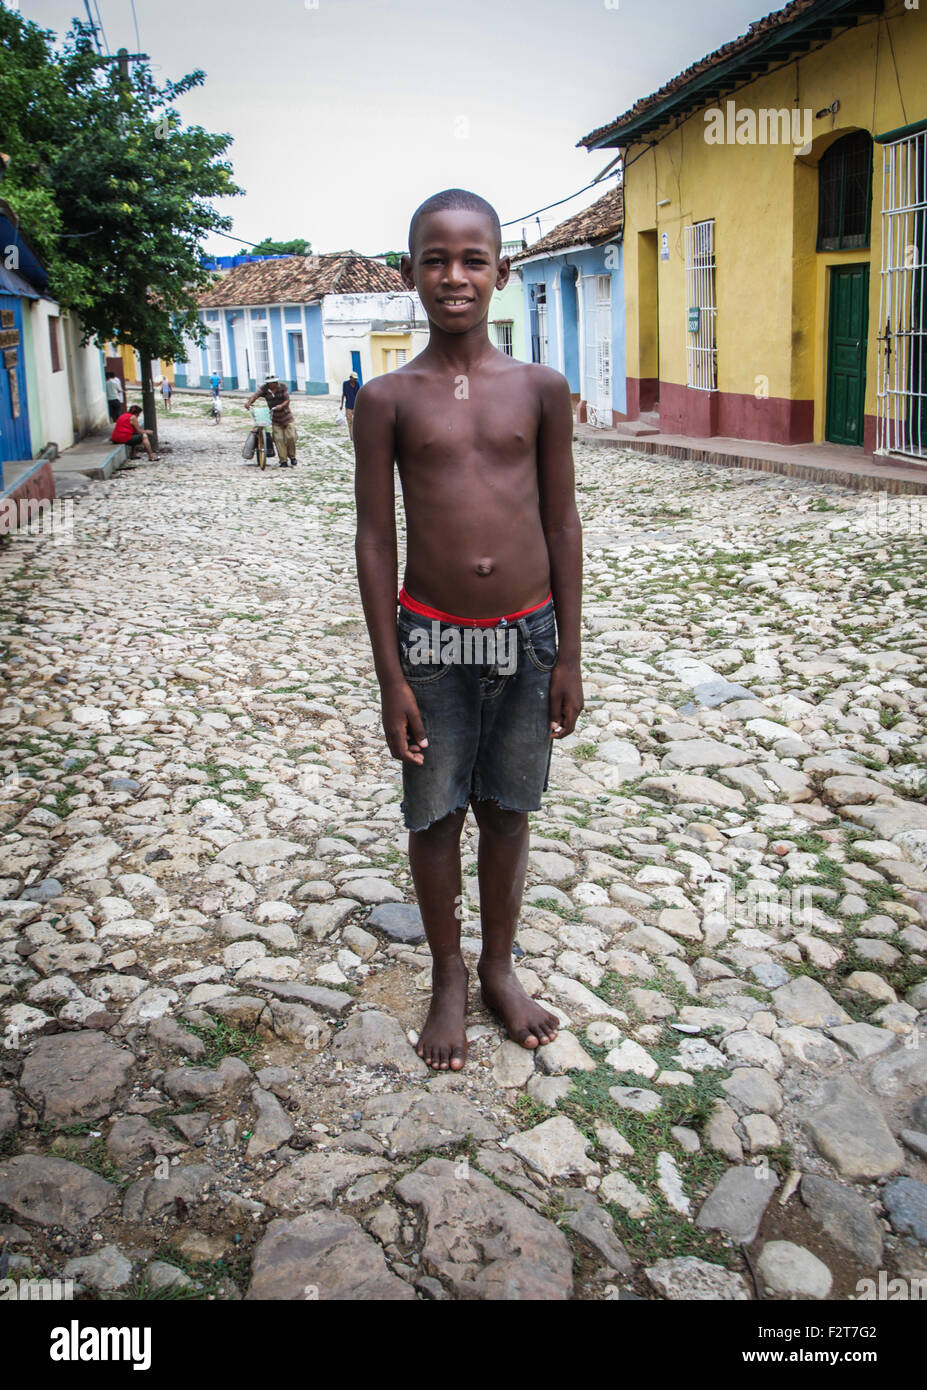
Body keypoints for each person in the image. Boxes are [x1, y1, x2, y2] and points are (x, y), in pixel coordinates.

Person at [354, 188, 583, 1071]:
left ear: (501, 271)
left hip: (525, 636)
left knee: (509, 810)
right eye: (434, 260)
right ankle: (447, 975)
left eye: (472, 259)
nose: (453, 277)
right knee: (433, 813)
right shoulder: (387, 398)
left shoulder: (539, 388)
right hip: (433, 641)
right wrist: (392, 678)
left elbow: (561, 523)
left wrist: (567, 650)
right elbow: (377, 539)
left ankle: (497, 967)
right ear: (408, 271)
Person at [245, 372, 297, 467]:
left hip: (286, 416)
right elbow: (255, 395)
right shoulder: (264, 389)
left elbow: (287, 400)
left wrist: (281, 406)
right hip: (275, 418)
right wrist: (249, 403)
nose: (273, 384)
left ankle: (292, 456)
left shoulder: (282, 387)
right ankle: (283, 460)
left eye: (274, 382)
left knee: (291, 437)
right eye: (270, 382)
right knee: (278, 439)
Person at [340, 370, 361, 441]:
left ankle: (357, 435)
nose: (354, 380)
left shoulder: (357, 384)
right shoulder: (345, 384)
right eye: (354, 378)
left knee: (357, 422)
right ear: (350, 377)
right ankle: (352, 437)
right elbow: (343, 394)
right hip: (348, 406)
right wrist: (341, 405)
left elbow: (359, 394)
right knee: (350, 422)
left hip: (356, 406)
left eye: (355, 379)